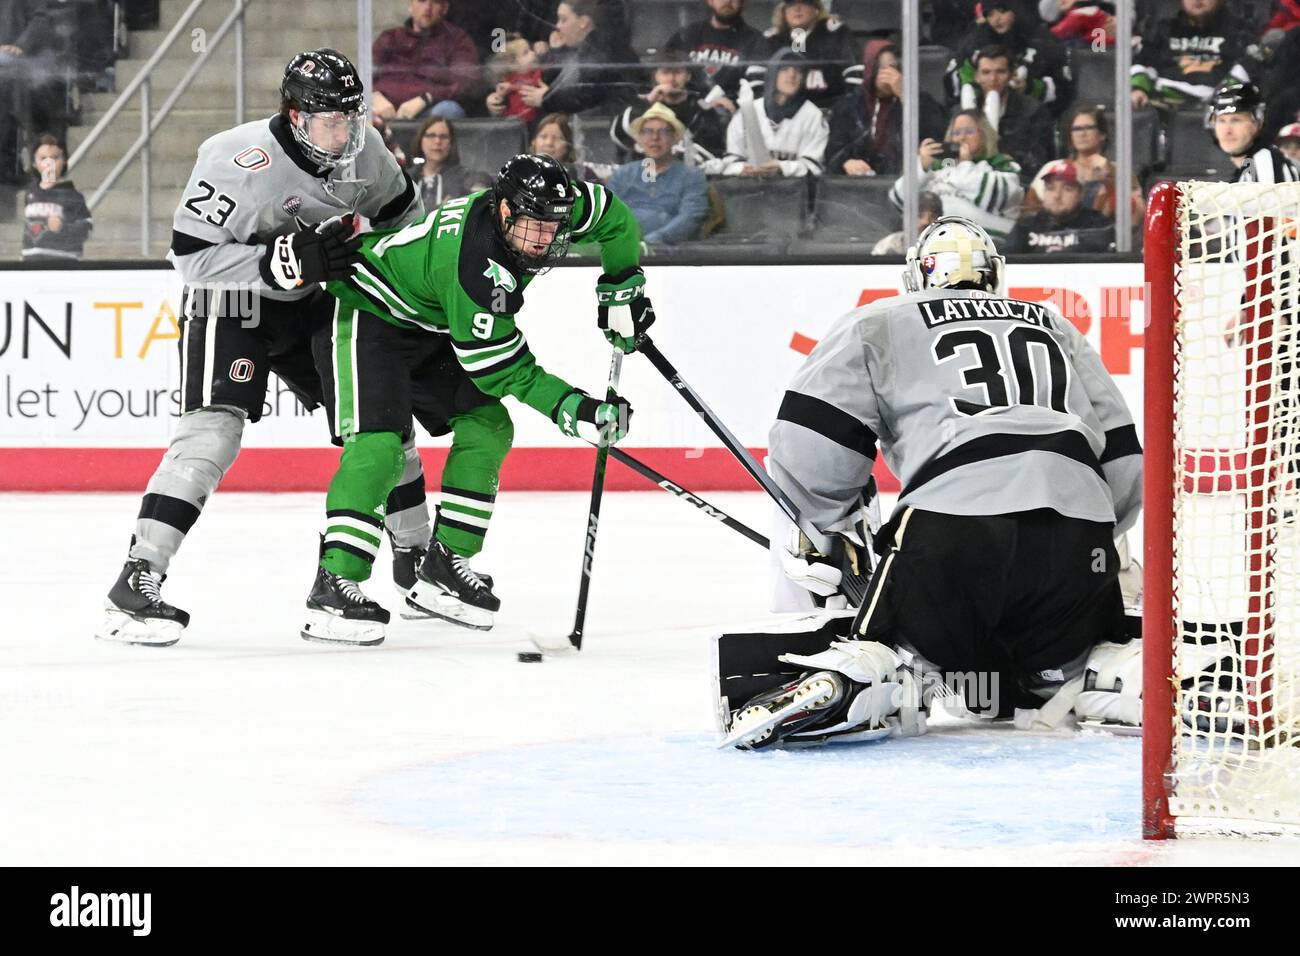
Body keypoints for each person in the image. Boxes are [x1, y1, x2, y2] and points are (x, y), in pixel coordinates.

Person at [716, 216, 1143, 750]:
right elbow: (1123, 460)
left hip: (949, 535)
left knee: (900, 646)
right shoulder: (1053, 323)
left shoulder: (880, 319)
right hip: (1075, 548)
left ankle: (870, 678)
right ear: (994, 275)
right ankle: (1116, 677)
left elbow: (809, 448)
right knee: (1066, 661)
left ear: (918, 274)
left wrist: (830, 533)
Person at [96, 49, 425, 648]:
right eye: (331, 119)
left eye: (352, 116)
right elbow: (191, 259)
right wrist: (282, 262)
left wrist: (389, 274)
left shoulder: (367, 148)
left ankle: (416, 555)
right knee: (209, 437)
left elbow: (406, 222)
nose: (346, 131)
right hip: (234, 302)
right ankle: (137, 577)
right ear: (295, 116)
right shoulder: (235, 158)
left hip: (313, 300)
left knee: (379, 417)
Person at [305, 154, 653, 643]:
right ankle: (334, 584)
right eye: (534, 227)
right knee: (380, 447)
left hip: (429, 318)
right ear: (505, 212)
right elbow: (505, 371)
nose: (546, 239)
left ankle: (443, 565)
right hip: (368, 312)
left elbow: (616, 219)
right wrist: (576, 410)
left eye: (555, 227)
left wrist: (620, 286)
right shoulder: (477, 267)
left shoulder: (555, 207)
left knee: (489, 426)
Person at [889, 109, 1024, 240]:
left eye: (969, 131)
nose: (962, 138)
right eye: (956, 133)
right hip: (931, 243)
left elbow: (1005, 195)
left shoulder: (1000, 164)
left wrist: (965, 165)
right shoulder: (938, 168)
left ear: (984, 135)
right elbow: (900, 200)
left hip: (982, 244)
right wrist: (921, 167)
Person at [826, 41, 945, 177]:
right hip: (858, 184)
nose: (890, 73)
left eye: (894, 67)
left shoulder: (923, 102)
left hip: (905, 181)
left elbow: (933, 142)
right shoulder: (848, 105)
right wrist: (845, 162)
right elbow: (833, 150)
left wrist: (906, 97)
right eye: (882, 68)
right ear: (871, 70)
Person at [713, 49, 828, 177]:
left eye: (799, 71)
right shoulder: (748, 111)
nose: (792, 75)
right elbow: (730, 162)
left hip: (794, 192)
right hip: (749, 189)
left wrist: (781, 168)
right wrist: (742, 169)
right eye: (784, 69)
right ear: (773, 73)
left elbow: (814, 167)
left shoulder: (813, 116)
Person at [607, 103, 709, 246]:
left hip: (670, 253)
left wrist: (655, 240)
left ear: (675, 138)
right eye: (648, 131)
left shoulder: (691, 176)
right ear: (640, 139)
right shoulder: (622, 175)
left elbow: (691, 217)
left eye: (664, 132)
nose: (655, 138)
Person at [947, 1, 1073, 115]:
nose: (996, 19)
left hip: (1028, 119)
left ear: (1016, 10)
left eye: (1002, 11)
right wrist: (976, 88)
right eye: (990, 14)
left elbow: (1063, 92)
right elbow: (952, 84)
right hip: (980, 117)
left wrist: (1029, 87)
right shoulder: (974, 44)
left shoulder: (1043, 44)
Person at [1131, 0, 1262, 110]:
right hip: (1164, 105)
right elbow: (1143, 62)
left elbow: (1249, 69)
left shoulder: (1240, 32)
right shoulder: (1163, 29)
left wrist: (1225, 94)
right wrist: (1139, 89)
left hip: (1219, 108)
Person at [1023, 106, 1142, 220]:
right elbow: (1029, 212)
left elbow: (1137, 215)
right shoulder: (1053, 168)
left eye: (1088, 128)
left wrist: (1109, 176)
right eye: (1076, 129)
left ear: (1102, 134)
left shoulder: (1120, 172)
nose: (1082, 134)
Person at [610, 51, 729, 163]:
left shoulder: (701, 110)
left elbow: (714, 153)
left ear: (688, 76)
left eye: (678, 72)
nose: (671, 78)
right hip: (645, 174)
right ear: (655, 76)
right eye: (665, 73)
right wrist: (648, 101)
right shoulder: (642, 104)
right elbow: (619, 136)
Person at [372, 0, 480, 121]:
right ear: (410, 4)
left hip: (428, 115)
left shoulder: (457, 40)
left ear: (444, 8)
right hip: (383, 111)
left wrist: (428, 98)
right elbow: (362, 76)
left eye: (435, 2)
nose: (427, 8)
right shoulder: (390, 38)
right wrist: (374, 96)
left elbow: (467, 83)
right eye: (421, 1)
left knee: (449, 110)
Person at [520, 0, 627, 119]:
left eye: (563, 20)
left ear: (583, 22)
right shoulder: (582, 50)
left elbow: (585, 96)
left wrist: (547, 99)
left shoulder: (599, 54)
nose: (558, 26)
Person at [664, 0, 768, 110]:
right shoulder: (688, 34)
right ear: (710, 1)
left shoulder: (756, 40)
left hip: (731, 113)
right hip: (685, 110)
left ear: (743, 3)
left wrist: (735, 104)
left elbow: (757, 88)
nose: (728, 1)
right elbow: (662, 72)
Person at [758, 0, 856, 108]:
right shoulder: (771, 39)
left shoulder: (836, 33)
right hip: (782, 114)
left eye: (804, 2)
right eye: (791, 4)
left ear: (816, 9)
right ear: (783, 11)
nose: (797, 9)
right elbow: (756, 81)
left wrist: (844, 109)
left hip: (828, 111)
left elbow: (855, 75)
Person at [1009, 160, 1113, 253]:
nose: (1057, 195)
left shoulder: (1098, 225)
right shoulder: (1026, 225)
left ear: (1081, 195)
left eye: (1067, 189)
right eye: (1050, 188)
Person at [1209, 81, 1300, 184]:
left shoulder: (1264, 161)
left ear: (1258, 122)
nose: (1227, 130)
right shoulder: (1250, 164)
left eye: (1236, 120)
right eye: (1221, 121)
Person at [21, 134, 92, 259]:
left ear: (64, 160)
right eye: (43, 158)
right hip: (31, 260)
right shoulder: (30, 194)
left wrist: (63, 228)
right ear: (34, 163)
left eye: (55, 158)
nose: (49, 163)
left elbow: (86, 228)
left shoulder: (73, 196)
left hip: (63, 260)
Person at [408, 116, 490, 209]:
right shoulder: (407, 178)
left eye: (443, 137)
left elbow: (480, 180)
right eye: (431, 135)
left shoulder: (462, 177)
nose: (437, 141)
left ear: (451, 143)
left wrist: (478, 187)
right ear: (420, 140)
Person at [530, 111, 611, 183]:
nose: (549, 143)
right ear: (534, 142)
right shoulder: (522, 170)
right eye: (543, 136)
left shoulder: (583, 173)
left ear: (568, 146)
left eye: (558, 138)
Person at [484, 34, 545, 125]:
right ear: (512, 63)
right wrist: (499, 96)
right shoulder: (506, 80)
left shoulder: (538, 73)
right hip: (513, 123)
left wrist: (511, 87)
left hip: (535, 121)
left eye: (531, 50)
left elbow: (532, 84)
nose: (533, 53)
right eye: (526, 53)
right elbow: (501, 101)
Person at [871, 191, 942, 255]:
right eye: (919, 215)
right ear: (907, 218)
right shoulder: (890, 244)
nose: (925, 222)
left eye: (933, 216)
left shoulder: (948, 245)